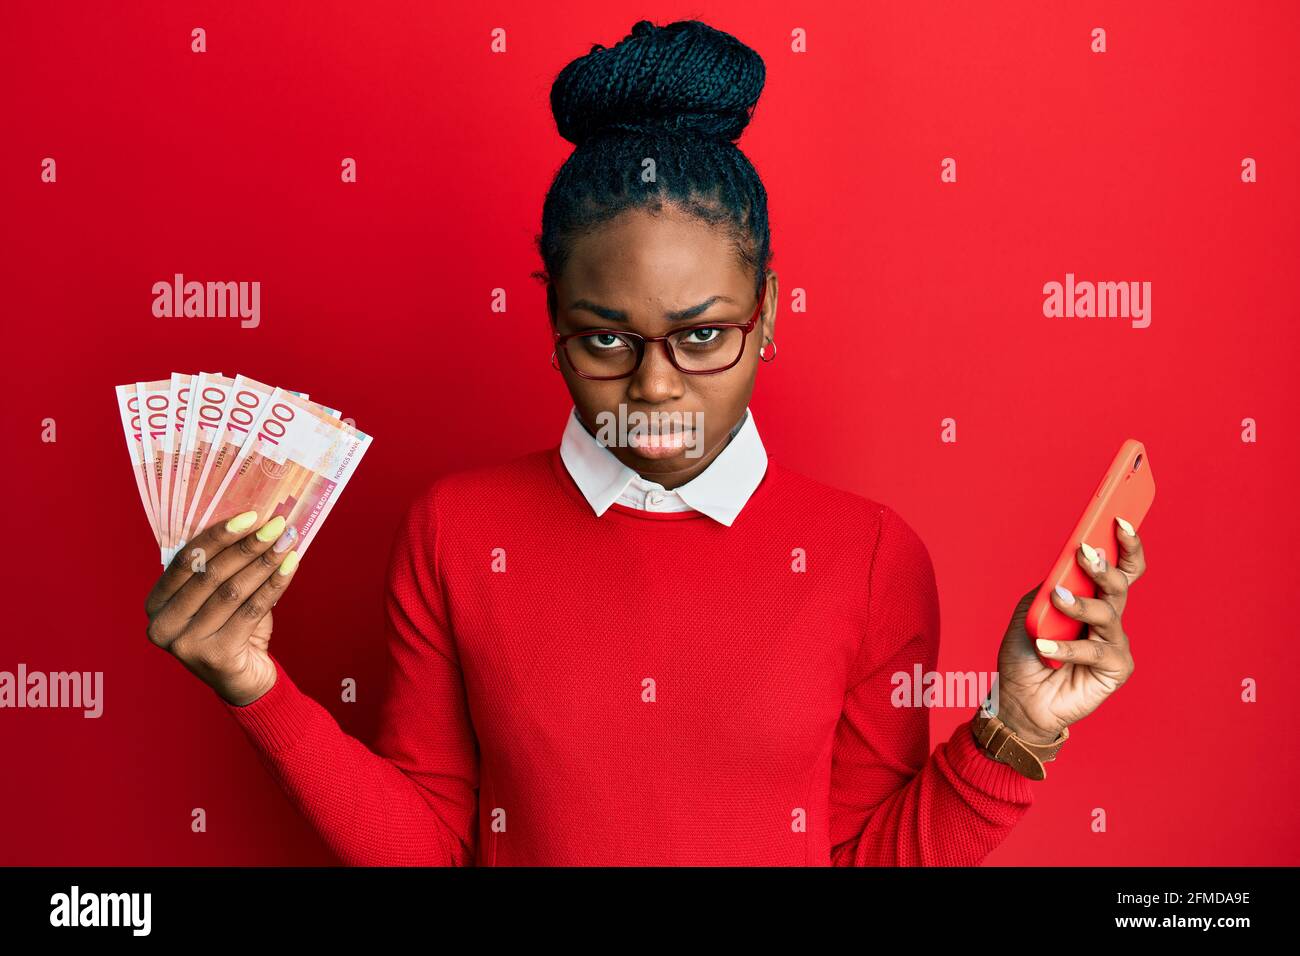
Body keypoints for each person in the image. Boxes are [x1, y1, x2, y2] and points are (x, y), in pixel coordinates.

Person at [143, 18, 1141, 866]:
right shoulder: (456, 530)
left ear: (769, 311)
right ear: (554, 322)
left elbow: (858, 854)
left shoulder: (870, 556)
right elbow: (438, 842)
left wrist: (1021, 726)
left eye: (702, 334)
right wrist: (253, 683)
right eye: (605, 338)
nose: (655, 384)